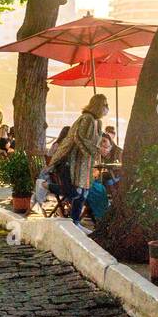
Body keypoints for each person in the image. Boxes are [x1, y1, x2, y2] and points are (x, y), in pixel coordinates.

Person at [48, 94, 107, 225]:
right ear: (98, 105)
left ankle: (75, 222)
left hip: (87, 162)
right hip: (76, 160)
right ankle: (47, 186)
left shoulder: (98, 122)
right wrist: (96, 150)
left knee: (84, 191)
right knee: (77, 191)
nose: (106, 109)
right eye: (104, 105)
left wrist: (97, 151)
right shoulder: (87, 118)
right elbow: (80, 137)